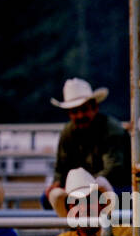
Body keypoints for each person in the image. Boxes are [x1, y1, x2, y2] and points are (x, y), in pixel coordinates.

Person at [45, 78, 131, 213]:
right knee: (46, 198)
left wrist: (84, 187)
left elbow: (114, 170)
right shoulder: (67, 133)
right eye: (74, 111)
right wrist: (56, 183)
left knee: (123, 196)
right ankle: (76, 231)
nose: (80, 116)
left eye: (84, 110)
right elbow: (61, 168)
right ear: (69, 114)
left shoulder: (111, 130)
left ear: (95, 107)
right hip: (81, 190)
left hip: (116, 186)